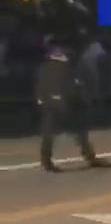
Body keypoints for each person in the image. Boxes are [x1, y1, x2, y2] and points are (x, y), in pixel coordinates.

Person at [35, 43, 100, 173]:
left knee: (51, 132)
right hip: (64, 103)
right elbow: (74, 86)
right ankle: (88, 156)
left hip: (56, 103)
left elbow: (42, 88)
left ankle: (46, 160)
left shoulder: (47, 68)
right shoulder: (65, 68)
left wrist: (42, 100)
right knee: (77, 130)